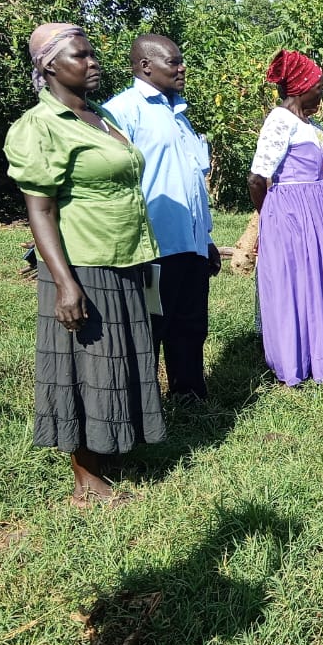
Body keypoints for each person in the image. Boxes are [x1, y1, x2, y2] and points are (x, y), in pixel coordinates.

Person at [5, 23, 165, 507]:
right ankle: (86, 482)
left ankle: (111, 451)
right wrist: (64, 283)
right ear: (50, 66)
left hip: (124, 256)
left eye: (93, 53)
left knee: (118, 359)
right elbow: (41, 209)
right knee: (86, 366)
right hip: (84, 262)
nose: (93, 62)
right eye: (81, 55)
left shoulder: (95, 118)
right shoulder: (41, 125)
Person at [104, 34, 218, 401]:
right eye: (174, 62)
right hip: (154, 243)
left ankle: (188, 394)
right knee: (151, 326)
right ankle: (144, 404)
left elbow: (190, 182)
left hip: (191, 242)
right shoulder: (122, 112)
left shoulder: (178, 114)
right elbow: (115, 181)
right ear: (145, 66)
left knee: (190, 324)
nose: (182, 67)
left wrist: (208, 240)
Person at [248, 50, 323, 385]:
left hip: (318, 212)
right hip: (293, 214)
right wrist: (272, 218)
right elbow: (257, 178)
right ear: (302, 87)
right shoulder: (279, 121)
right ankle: (299, 359)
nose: (322, 92)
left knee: (320, 279)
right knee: (299, 284)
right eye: (319, 86)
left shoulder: (306, 124)